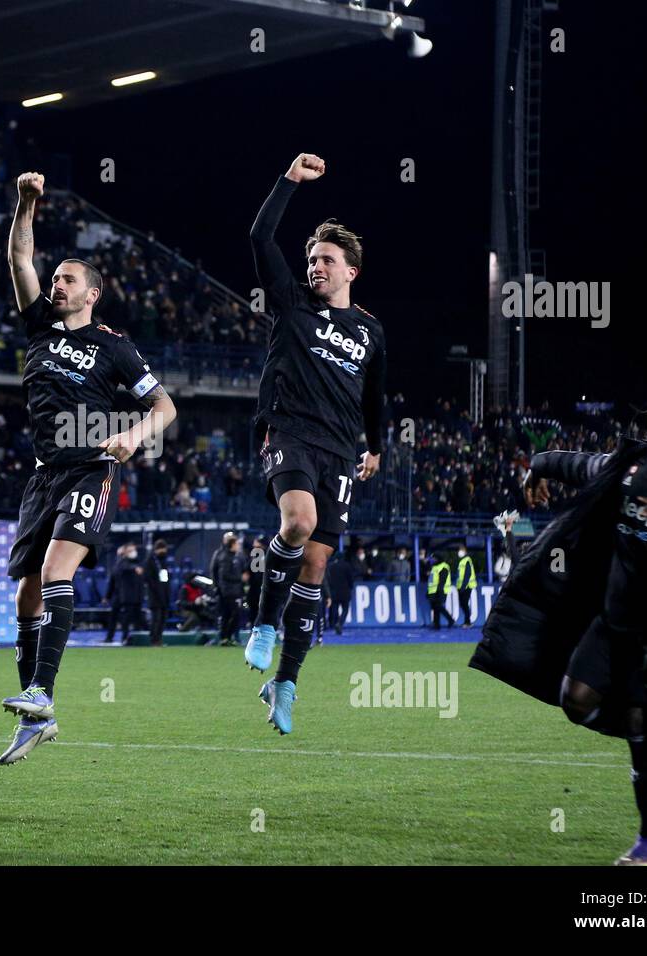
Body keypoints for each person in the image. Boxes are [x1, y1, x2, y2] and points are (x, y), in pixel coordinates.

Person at [473, 389, 647, 865]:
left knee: (643, 726)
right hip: (612, 619)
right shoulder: (627, 465)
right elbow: (569, 463)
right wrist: (535, 469)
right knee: (576, 700)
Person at [0, 171, 176, 765]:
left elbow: (165, 405)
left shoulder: (114, 346)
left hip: (92, 467)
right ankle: (34, 717)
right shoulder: (39, 326)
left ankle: (41, 692)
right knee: (26, 594)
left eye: (67, 278)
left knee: (54, 570)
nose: (56, 284)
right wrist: (26, 202)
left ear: (91, 292)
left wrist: (135, 434)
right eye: (54, 278)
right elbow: (20, 252)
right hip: (43, 473)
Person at [243, 152, 387, 736]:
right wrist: (287, 182)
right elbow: (259, 235)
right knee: (296, 524)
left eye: (326, 260)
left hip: (339, 449)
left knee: (317, 566)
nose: (315, 267)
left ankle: (286, 682)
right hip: (290, 430)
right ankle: (262, 624)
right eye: (311, 259)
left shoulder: (372, 331)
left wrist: (376, 447)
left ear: (352, 270)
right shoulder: (292, 304)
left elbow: (376, 395)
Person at [208, 531, 247, 646]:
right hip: (225, 590)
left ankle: (232, 637)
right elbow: (215, 572)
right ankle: (225, 637)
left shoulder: (238, 555)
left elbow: (243, 567)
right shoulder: (220, 554)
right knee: (227, 614)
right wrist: (217, 587)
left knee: (234, 614)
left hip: (235, 590)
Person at [104, 543, 146, 644]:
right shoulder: (120, 564)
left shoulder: (137, 562)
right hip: (120, 594)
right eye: (130, 550)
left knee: (132, 618)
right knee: (115, 617)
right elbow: (112, 582)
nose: (133, 552)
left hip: (132, 596)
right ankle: (111, 637)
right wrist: (107, 596)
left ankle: (128, 637)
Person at [143, 539, 171, 647]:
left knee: (162, 619)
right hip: (154, 595)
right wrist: (157, 590)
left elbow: (165, 578)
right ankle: (154, 640)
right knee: (156, 618)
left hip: (164, 594)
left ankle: (159, 639)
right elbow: (147, 578)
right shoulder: (150, 560)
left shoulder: (163, 561)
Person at [326, 552, 355, 636]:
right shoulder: (347, 566)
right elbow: (351, 579)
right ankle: (340, 623)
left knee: (334, 608)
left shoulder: (331, 566)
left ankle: (334, 623)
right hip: (345, 592)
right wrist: (350, 587)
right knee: (345, 609)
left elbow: (329, 579)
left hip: (334, 592)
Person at [426, 553, 456, 630]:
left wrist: (439, 591)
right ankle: (437, 625)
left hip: (440, 591)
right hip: (433, 591)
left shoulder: (443, 566)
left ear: (437, 559)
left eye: (433, 559)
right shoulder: (435, 567)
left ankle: (449, 620)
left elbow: (442, 580)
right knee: (435, 607)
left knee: (438, 607)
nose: (432, 561)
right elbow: (431, 581)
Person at [454, 544, 477, 628]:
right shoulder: (462, 561)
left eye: (461, 550)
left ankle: (468, 622)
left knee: (464, 603)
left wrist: (463, 586)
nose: (459, 551)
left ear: (465, 551)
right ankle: (467, 621)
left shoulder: (467, 560)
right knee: (463, 604)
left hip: (467, 586)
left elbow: (467, 574)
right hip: (462, 586)